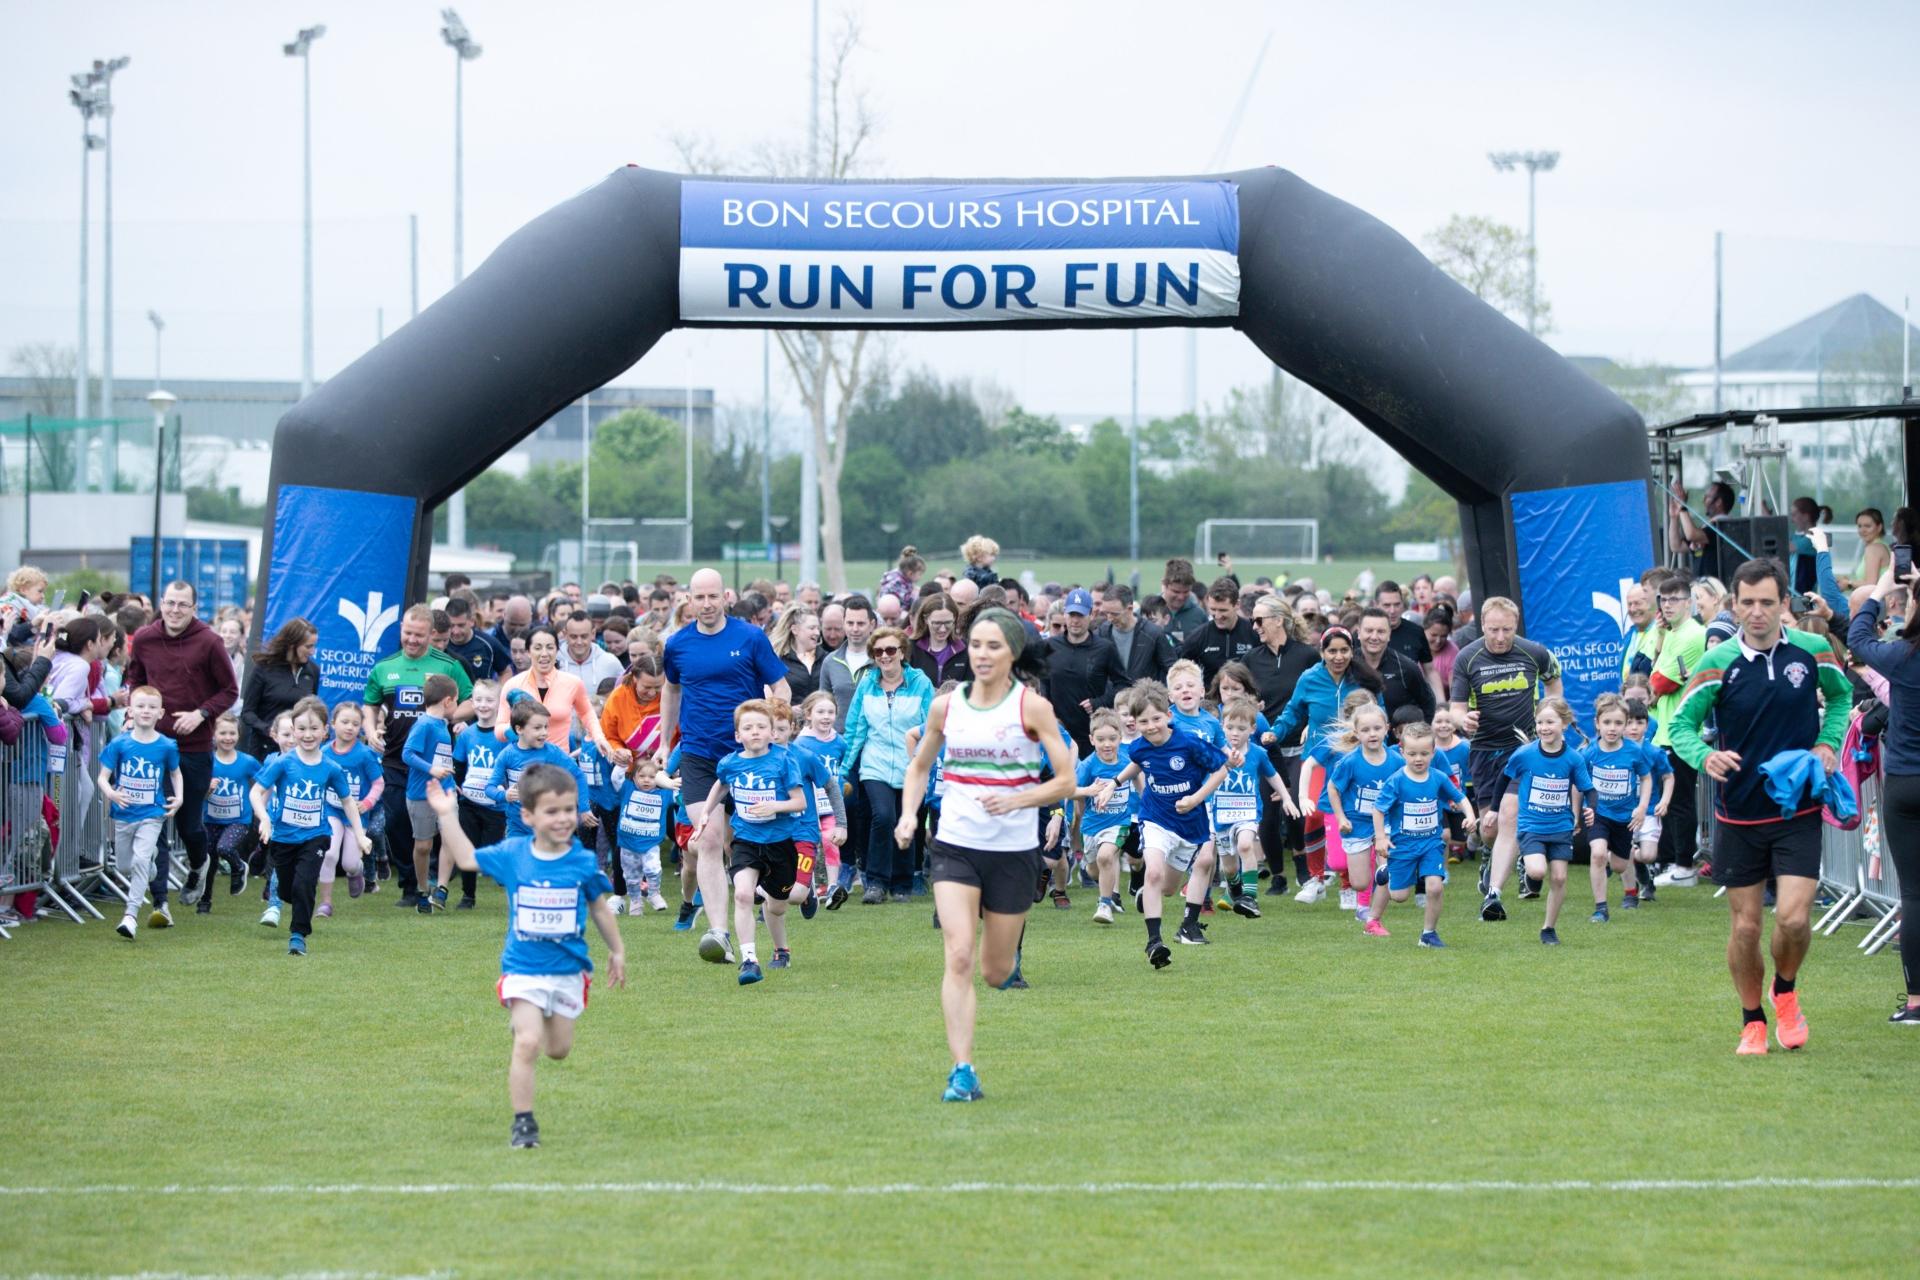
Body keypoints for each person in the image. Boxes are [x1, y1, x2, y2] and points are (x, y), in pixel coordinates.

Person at [1670, 558, 1851, 1055]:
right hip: (1738, 814)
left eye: (1766, 602)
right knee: (1746, 927)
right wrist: (1704, 756)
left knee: (1793, 919)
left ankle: (1786, 992)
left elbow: (1840, 698)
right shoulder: (1716, 662)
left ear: (1783, 604)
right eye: (1746, 602)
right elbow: (1681, 727)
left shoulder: (1814, 651)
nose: (1756, 612)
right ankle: (1752, 1020)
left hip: (1798, 810)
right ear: (1733, 604)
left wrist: (1828, 742)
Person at [896, 607, 1076, 1102]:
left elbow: (1066, 779)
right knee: (957, 956)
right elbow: (917, 768)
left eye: (994, 646)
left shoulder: (1031, 708)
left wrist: (1019, 798)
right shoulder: (946, 707)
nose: (982, 654)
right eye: (975, 644)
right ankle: (962, 1070)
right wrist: (910, 815)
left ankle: (1001, 969)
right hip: (955, 845)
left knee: (995, 971)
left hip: (1013, 852)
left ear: (1013, 653)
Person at [426, 767, 624, 1149]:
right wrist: (447, 813)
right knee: (529, 1043)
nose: (563, 818)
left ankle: (527, 1023)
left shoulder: (581, 862)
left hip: (568, 971)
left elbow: (599, 908)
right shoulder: (514, 854)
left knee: (558, 1050)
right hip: (523, 969)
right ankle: (523, 1122)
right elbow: (466, 858)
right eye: (552, 811)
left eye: (568, 809)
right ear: (528, 816)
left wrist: (617, 951)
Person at [657, 567, 791, 965]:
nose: (707, 604)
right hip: (699, 754)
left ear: (726, 596)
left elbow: (780, 687)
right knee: (707, 840)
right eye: (699, 597)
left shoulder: (750, 638)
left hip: (749, 758)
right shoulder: (677, 644)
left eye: (713, 596)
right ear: (689, 600)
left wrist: (774, 730)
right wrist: (665, 743)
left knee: (752, 842)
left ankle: (769, 906)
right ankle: (719, 933)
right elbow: (671, 689)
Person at [1093, 680, 1232, 964]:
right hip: (1155, 818)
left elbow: (1221, 770)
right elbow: (1138, 764)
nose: (1151, 726)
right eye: (1143, 721)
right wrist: (1112, 784)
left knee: (1167, 887)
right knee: (1153, 872)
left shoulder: (1190, 743)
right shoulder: (1140, 747)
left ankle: (1151, 895)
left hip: (1189, 823)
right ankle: (1154, 942)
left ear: (1169, 715)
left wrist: (1196, 799)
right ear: (1134, 723)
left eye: (1156, 718)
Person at [125, 580, 240, 916]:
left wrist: (201, 713)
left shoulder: (209, 641)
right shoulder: (146, 638)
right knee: (154, 822)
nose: (175, 611)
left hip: (194, 746)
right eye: (170, 603)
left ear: (194, 608)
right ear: (161, 604)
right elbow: (135, 679)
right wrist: (136, 710)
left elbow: (230, 690)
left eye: (182, 605)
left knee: (190, 824)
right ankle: (160, 901)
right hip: (152, 744)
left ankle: (199, 865)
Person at [1448, 596, 1563, 922]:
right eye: (1494, 630)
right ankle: (1489, 852)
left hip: (1523, 748)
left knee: (1511, 814)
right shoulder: (1468, 658)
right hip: (1484, 750)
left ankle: (1503, 885)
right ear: (1481, 625)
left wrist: (1551, 715)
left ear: (1516, 627)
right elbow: (1455, 708)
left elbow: (1554, 681)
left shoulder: (1534, 652)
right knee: (1491, 827)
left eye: (1507, 630)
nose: (1500, 637)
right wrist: (1463, 721)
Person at [1846, 562, 1920, 1022]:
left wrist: (1884, 587)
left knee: (1914, 894)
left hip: (1907, 781)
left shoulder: (1903, 657)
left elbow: (1856, 639)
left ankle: (1916, 1001)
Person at [692, 699, 809, 984]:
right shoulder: (729, 763)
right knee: (743, 894)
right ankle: (749, 961)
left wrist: (774, 807)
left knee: (778, 905)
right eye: (748, 727)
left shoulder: (783, 760)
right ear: (737, 735)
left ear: (772, 733)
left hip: (780, 844)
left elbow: (799, 802)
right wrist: (705, 814)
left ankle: (780, 943)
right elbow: (720, 784)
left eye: (761, 727)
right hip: (745, 841)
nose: (755, 732)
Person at [364, 604, 474, 906]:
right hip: (396, 760)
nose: (412, 640)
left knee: (439, 824)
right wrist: (371, 729)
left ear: (432, 635)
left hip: (435, 766)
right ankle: (410, 885)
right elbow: (370, 703)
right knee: (397, 822)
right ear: (401, 629)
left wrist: (447, 717)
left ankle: (436, 879)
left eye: (419, 635)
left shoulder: (447, 665)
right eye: (408, 633)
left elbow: (471, 701)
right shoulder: (385, 666)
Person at [1269, 625, 1384, 904]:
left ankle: (1347, 885)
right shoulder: (1310, 679)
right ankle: (1315, 879)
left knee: (1346, 819)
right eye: (1332, 651)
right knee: (1315, 816)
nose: (1338, 656)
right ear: (1322, 652)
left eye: (1344, 650)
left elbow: (1379, 714)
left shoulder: (1362, 679)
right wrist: (1276, 732)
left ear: (1351, 651)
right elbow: (1294, 711)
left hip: (1356, 762)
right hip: (1319, 758)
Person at [251, 695, 370, 956]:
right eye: (302, 728)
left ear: (325, 731)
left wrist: (360, 835)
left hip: (316, 836)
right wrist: (265, 819)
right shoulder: (282, 763)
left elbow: (348, 802)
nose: (307, 734)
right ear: (293, 731)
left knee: (304, 883)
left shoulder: (331, 767)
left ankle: (298, 936)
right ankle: (300, 900)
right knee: (287, 890)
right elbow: (256, 792)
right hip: (283, 838)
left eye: (314, 728)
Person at [841, 625, 935, 904]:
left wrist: (925, 761)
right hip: (875, 763)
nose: (884, 656)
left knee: (907, 820)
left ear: (902, 653)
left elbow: (931, 725)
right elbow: (856, 726)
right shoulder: (867, 685)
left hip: (912, 765)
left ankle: (903, 882)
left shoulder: (921, 684)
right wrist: (846, 767)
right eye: (878, 651)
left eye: (891, 650)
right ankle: (876, 882)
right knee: (883, 817)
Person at [1364, 719, 1474, 947]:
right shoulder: (1396, 781)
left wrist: (1470, 816)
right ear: (1402, 752)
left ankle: (1428, 934)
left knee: (1435, 886)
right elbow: (1378, 810)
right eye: (1413, 753)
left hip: (1431, 844)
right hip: (1402, 846)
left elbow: (1460, 797)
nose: (1418, 759)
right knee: (1399, 896)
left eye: (1424, 753)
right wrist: (1381, 838)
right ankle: (1384, 871)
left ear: (1433, 752)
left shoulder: (1438, 777)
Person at [1498, 697, 1596, 945]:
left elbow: (1588, 788)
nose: (1544, 728)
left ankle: (1548, 928)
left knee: (1560, 878)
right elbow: (1503, 777)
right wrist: (1492, 811)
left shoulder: (1574, 759)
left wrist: (1591, 809)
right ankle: (1528, 867)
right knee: (1538, 871)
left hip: (1561, 826)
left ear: (1564, 724)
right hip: (1531, 825)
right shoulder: (1525, 754)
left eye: (1550, 722)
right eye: (1540, 722)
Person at [100, 686, 184, 938]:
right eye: (140, 706)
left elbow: (175, 773)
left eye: (151, 707)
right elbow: (102, 777)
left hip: (152, 813)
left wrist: (178, 798)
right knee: (125, 865)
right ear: (130, 710)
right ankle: (151, 863)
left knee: (139, 860)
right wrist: (112, 793)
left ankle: (130, 915)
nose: (146, 711)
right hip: (124, 813)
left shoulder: (167, 745)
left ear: (161, 713)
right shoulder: (119, 743)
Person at [1647, 573, 1709, 887]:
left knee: (1680, 801)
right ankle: (1669, 860)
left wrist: (1653, 689)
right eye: (1663, 599)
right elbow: (1649, 672)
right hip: (1665, 730)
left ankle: (1685, 866)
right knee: (1667, 802)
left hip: (1682, 732)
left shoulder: (1692, 635)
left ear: (1689, 602)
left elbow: (1660, 682)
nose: (1667, 605)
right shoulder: (1671, 633)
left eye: (1674, 599)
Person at [498, 627, 623, 767]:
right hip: (523, 766)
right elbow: (499, 730)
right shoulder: (513, 685)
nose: (544, 654)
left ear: (557, 650)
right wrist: (519, 729)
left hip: (558, 766)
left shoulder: (572, 683)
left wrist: (599, 738)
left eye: (550, 647)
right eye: (538, 648)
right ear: (528, 652)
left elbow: (587, 713)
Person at [1582, 693, 1653, 921]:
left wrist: (1642, 807)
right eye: (1607, 722)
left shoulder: (1633, 751)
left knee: (1620, 865)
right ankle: (1600, 908)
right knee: (1598, 854)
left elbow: (1647, 778)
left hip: (1625, 817)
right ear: (1597, 724)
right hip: (1598, 814)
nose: (1612, 728)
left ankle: (1630, 885)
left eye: (1618, 723)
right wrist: (1576, 813)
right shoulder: (1590, 753)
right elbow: (1578, 784)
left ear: (1625, 725)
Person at [315, 700, 382, 918]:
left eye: (355, 723)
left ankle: (357, 871)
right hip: (332, 811)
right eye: (344, 722)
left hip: (356, 815)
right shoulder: (324, 752)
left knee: (349, 862)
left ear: (361, 727)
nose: (349, 727)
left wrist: (368, 802)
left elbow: (378, 783)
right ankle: (326, 903)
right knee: (329, 854)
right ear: (333, 724)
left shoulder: (364, 754)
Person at [1044, 588, 1127, 753]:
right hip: (1058, 733)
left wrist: (1099, 702)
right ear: (1065, 614)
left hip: (1092, 735)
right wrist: (1049, 713)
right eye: (1071, 614)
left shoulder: (1104, 648)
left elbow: (1123, 685)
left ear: (1091, 614)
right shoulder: (1050, 646)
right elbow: (1044, 683)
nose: (1075, 620)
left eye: (1080, 615)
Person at [241, 618, 318, 760]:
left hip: (298, 752)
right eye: (308, 646)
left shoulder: (313, 670)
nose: (312, 651)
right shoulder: (264, 668)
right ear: (292, 645)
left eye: (314, 646)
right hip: (265, 750)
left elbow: (312, 710)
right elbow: (247, 713)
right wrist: (269, 729)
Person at [1356, 607, 1436, 723]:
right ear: (1359, 633)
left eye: (1381, 631)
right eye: (1369, 631)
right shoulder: (1349, 665)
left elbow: (1428, 703)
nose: (1374, 637)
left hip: (1398, 739)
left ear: (1389, 635)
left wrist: (1420, 735)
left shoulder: (1406, 668)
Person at [1177, 578, 1256, 685]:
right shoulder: (1197, 637)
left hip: (1245, 700)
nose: (1218, 616)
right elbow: (1181, 675)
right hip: (1210, 700)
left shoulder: (1255, 633)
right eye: (1213, 610)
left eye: (1223, 610)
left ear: (1237, 605)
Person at [1098, 583, 1175, 687]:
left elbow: (1173, 671)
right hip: (1111, 701)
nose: (1109, 618)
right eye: (1106, 613)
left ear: (1129, 609)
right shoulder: (1102, 632)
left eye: (1115, 614)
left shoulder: (1153, 634)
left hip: (1145, 700)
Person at [1373, 580, 1440, 697]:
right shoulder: (1364, 635)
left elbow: (1430, 671)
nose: (1392, 610)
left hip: (1410, 706)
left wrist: (1441, 704)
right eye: (1387, 605)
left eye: (1397, 604)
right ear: (1376, 605)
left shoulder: (1416, 632)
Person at [908, 592, 970, 686]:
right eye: (937, 623)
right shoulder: (911, 648)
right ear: (925, 620)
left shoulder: (966, 649)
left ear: (955, 619)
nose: (942, 629)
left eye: (948, 623)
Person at [767, 604, 825, 702]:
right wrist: (790, 709)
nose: (817, 633)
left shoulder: (826, 659)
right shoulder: (778, 659)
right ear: (795, 630)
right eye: (812, 628)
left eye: (818, 628)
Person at [442, 596, 503, 683]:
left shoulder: (488, 644)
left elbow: (506, 671)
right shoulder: (440, 645)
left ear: (472, 621)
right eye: (451, 626)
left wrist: (499, 692)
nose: (456, 631)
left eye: (461, 625)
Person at [1159, 558, 1207, 645]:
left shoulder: (1200, 615)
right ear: (1164, 585)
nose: (1181, 597)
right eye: (1176, 592)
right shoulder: (1149, 611)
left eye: (1186, 592)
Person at [1844, 507, 1892, 591]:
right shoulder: (1882, 545)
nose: (1862, 530)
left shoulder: (1874, 548)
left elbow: (1871, 584)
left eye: (1867, 526)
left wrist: (1848, 583)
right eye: (1859, 526)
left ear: (1879, 527)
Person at [878, 546, 926, 613]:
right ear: (910, 573)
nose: (920, 577)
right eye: (920, 574)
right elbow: (907, 603)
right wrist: (916, 595)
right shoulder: (897, 583)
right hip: (893, 612)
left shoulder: (896, 576)